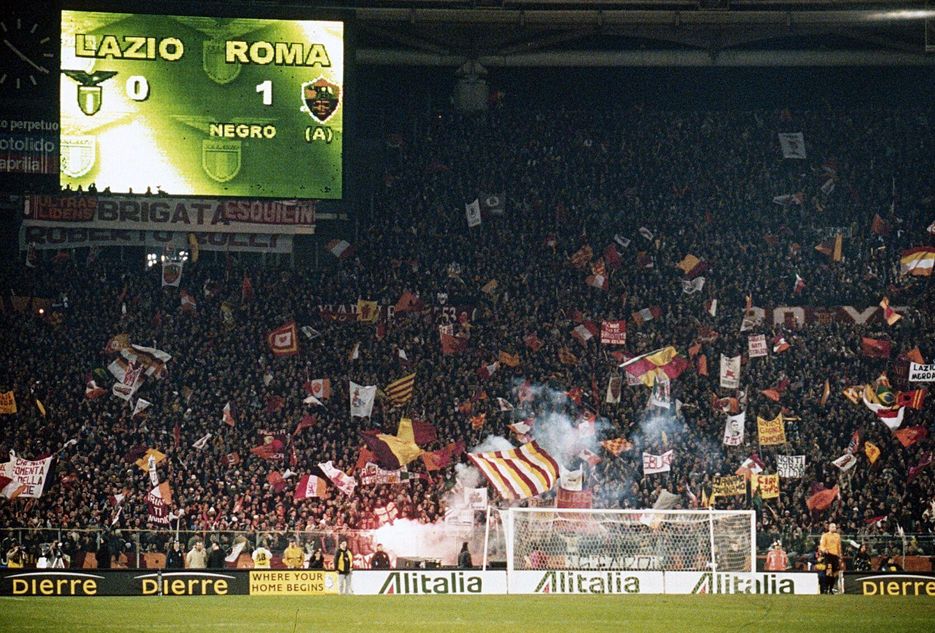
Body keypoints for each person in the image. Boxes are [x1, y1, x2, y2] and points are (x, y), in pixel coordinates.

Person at [818, 522, 842, 594]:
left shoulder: (837, 536)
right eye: (832, 527)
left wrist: (840, 554)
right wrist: (824, 550)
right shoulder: (825, 536)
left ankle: (831, 588)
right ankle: (826, 588)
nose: (834, 528)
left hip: (835, 556)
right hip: (828, 555)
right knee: (828, 572)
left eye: (835, 527)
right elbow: (822, 545)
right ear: (829, 528)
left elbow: (839, 546)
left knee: (835, 573)